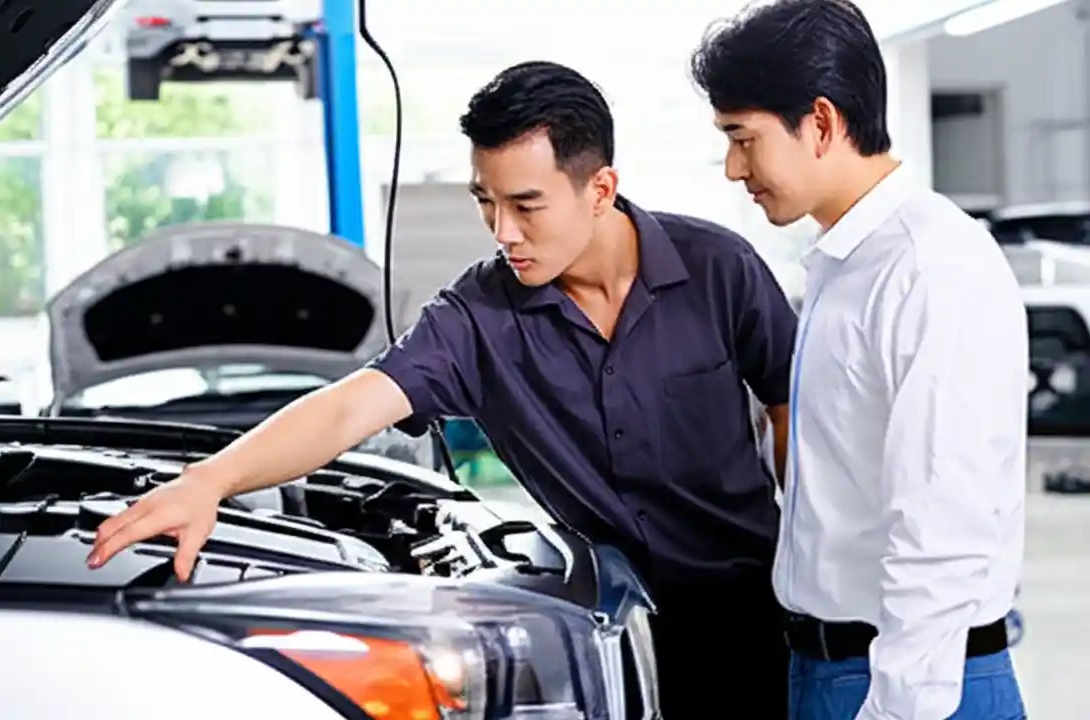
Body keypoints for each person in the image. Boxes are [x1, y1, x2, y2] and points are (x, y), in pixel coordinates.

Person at [86, 60, 799, 717]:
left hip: (761, 618)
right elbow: (351, 406)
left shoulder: (718, 269)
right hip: (605, 637)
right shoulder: (478, 317)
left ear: (600, 190)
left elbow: (791, 402)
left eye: (526, 205)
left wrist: (812, 554)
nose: (502, 232)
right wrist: (210, 480)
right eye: (485, 202)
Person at [689, 2, 1028, 718]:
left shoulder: (930, 267)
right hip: (834, 670)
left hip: (908, 685)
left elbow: (943, 527)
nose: (732, 168)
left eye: (743, 138)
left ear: (820, 122)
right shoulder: (848, 262)